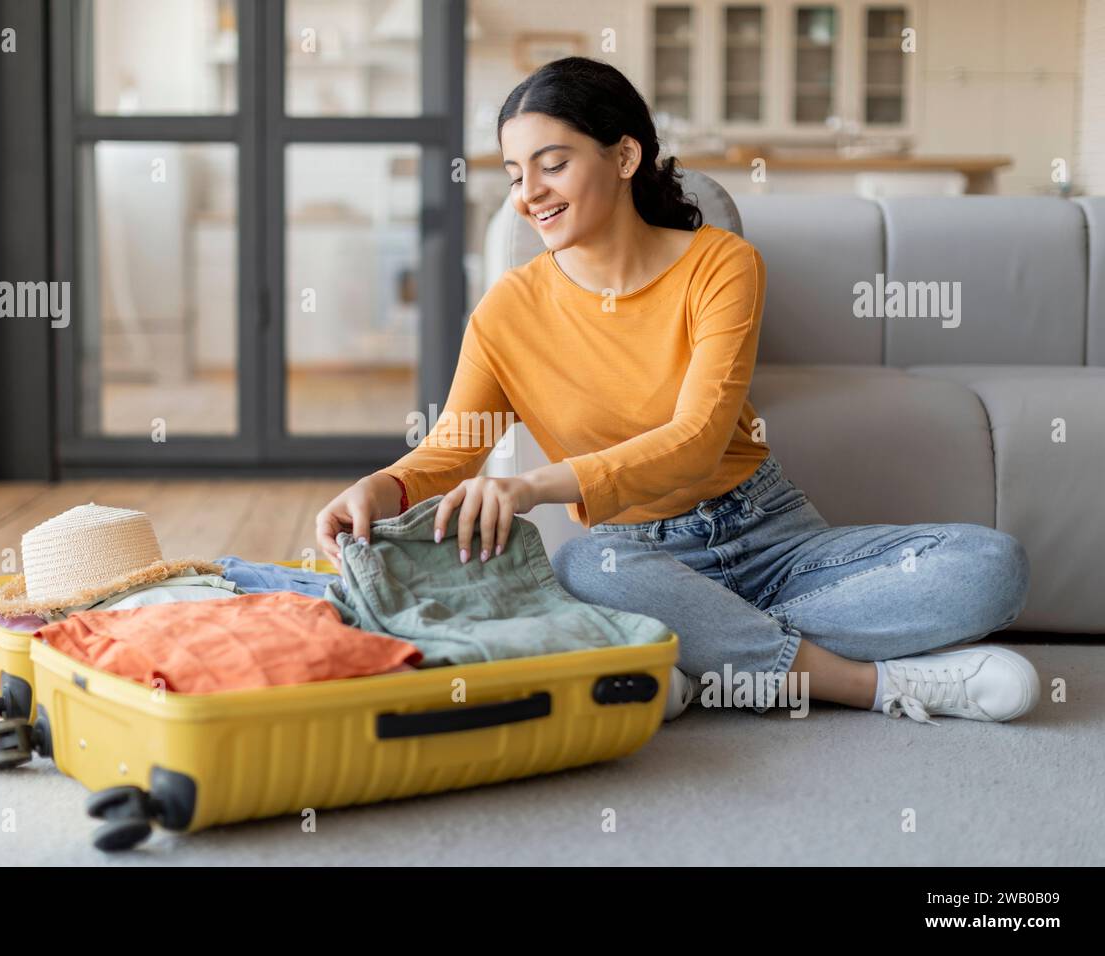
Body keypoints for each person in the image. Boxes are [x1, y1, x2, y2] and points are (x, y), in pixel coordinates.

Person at [315, 57, 1037, 726]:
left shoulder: (720, 266)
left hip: (772, 540)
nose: (528, 193)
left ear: (624, 157)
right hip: (638, 557)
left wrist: (532, 487)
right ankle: (869, 684)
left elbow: (696, 441)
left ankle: (695, 650)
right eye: (513, 174)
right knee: (584, 564)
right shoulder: (508, 310)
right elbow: (453, 450)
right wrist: (378, 491)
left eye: (552, 164)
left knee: (990, 567)